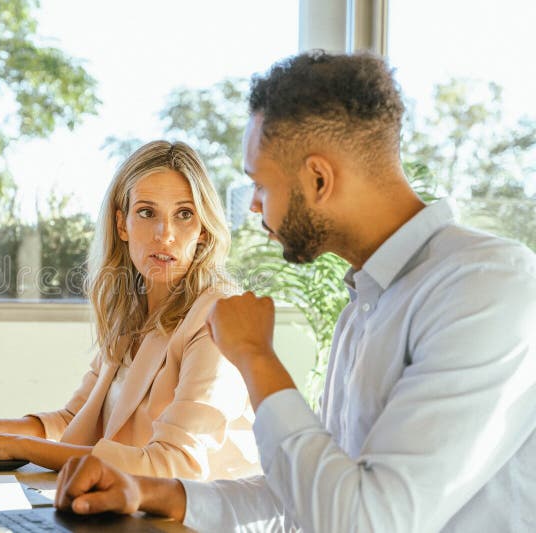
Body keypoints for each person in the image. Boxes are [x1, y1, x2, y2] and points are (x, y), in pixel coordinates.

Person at [53, 51, 536, 532]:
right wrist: (148, 492)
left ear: (318, 179)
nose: (255, 207)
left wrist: (255, 357)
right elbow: (306, 494)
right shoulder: (365, 307)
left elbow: (370, 520)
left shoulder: (487, 286)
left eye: (260, 185)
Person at [0, 140, 260, 481]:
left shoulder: (218, 315)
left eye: (184, 214)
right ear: (122, 224)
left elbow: (174, 465)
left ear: (203, 229)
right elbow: (75, 420)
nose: (165, 234)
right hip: (130, 507)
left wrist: (13, 447)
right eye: (147, 212)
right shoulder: (132, 310)